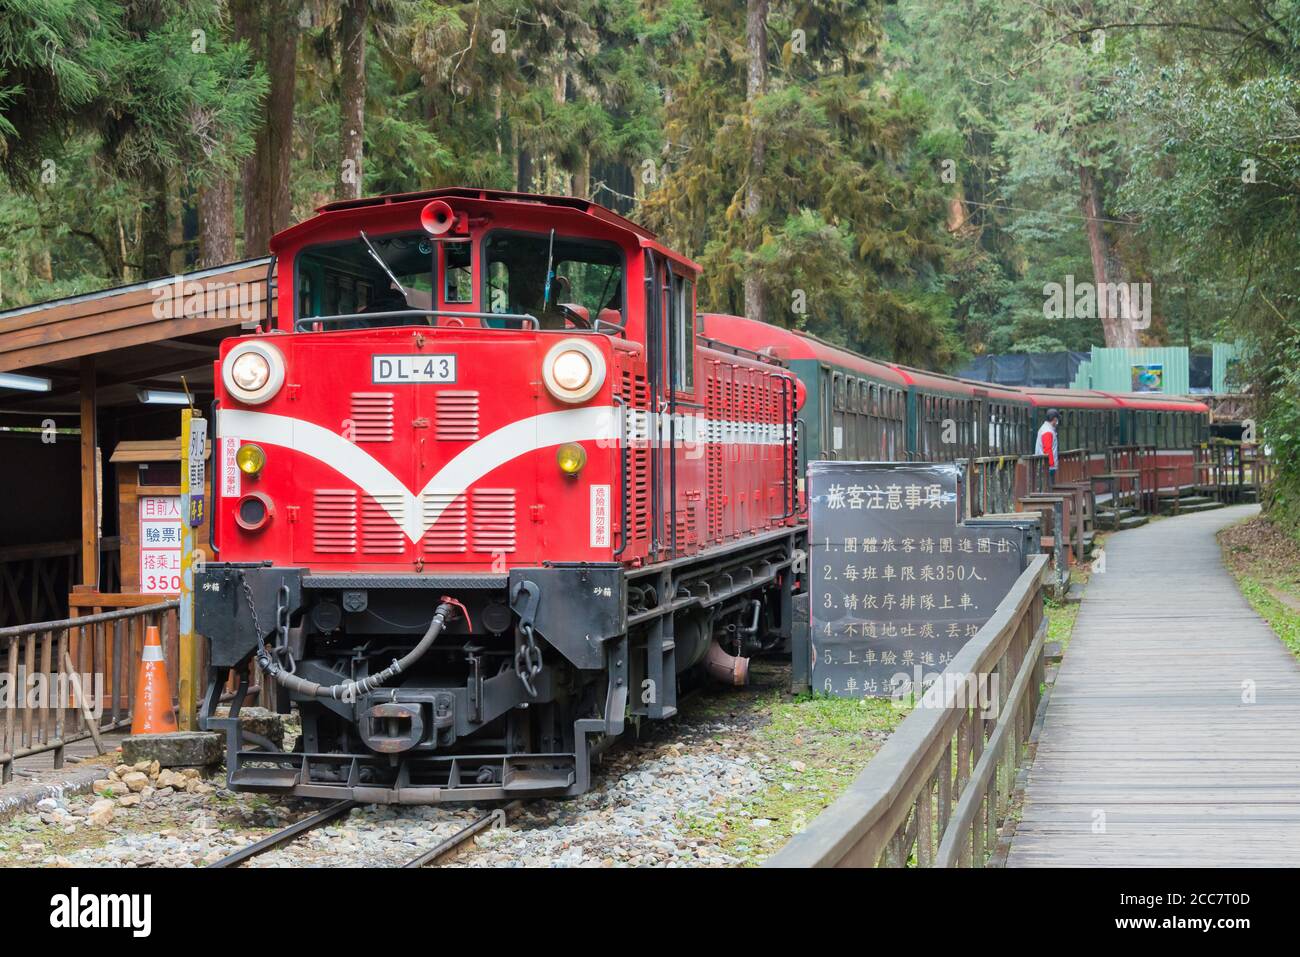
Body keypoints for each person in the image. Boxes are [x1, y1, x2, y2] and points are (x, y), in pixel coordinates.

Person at [1036, 409, 1061, 481]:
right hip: (1048, 467)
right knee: (1049, 488)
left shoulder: (1045, 428)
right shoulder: (1048, 431)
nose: (1057, 422)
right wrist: (1052, 466)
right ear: (1054, 419)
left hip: (1045, 465)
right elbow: (1047, 449)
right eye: (1057, 419)